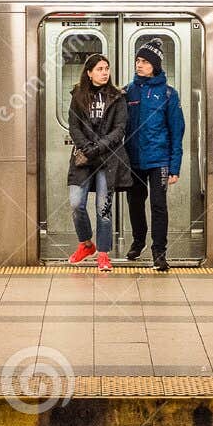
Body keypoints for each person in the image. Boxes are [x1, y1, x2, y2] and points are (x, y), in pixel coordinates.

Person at [123, 39, 186, 273]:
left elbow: (177, 130)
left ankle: (159, 253)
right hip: (134, 159)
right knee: (135, 203)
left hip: (159, 159)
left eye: (145, 62)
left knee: (159, 205)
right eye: (138, 61)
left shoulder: (169, 94)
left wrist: (174, 166)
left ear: (155, 65)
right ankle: (138, 241)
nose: (139, 65)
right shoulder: (129, 90)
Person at [66, 54, 130, 273]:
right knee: (76, 204)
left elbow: (119, 129)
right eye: (100, 69)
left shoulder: (117, 96)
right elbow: (73, 126)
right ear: (89, 72)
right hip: (83, 159)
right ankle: (86, 244)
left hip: (108, 159)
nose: (105, 72)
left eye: (107, 68)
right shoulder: (78, 96)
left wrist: (97, 148)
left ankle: (103, 254)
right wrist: (86, 148)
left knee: (103, 209)